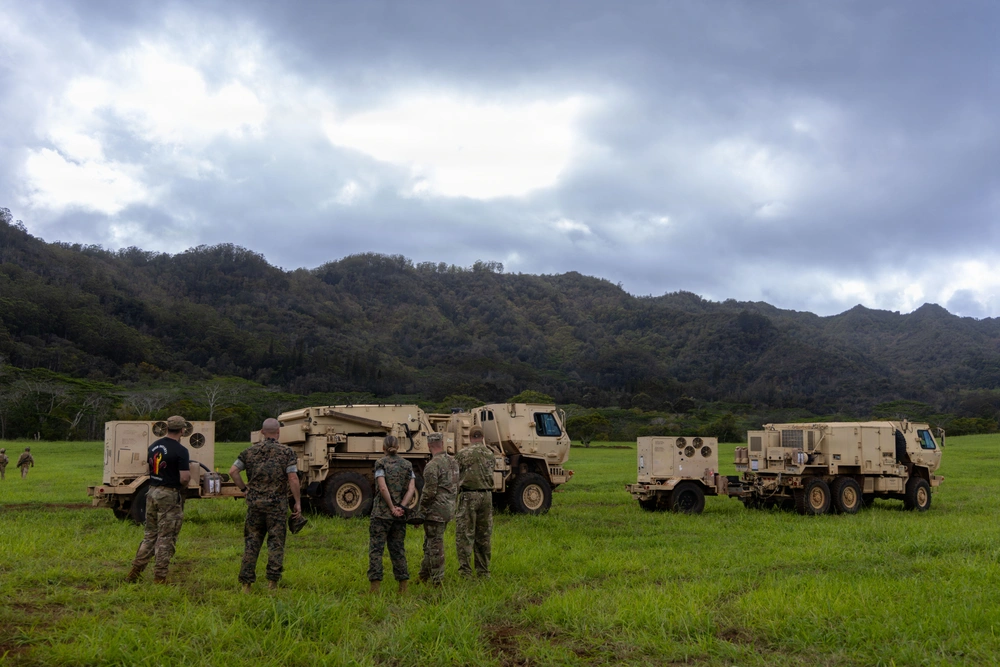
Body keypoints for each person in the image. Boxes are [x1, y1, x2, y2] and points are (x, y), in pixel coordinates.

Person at [229, 418, 302, 593]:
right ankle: (272, 583)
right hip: (277, 506)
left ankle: (246, 585)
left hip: (255, 505)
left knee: (252, 542)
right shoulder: (287, 452)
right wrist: (297, 502)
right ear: (278, 433)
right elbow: (292, 478)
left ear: (262, 432)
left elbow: (233, 471)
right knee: (276, 543)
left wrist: (244, 489)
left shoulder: (249, 452)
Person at [125, 415, 191, 584]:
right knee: (166, 537)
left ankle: (135, 571)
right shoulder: (181, 450)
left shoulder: (154, 446)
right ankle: (160, 577)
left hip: (152, 492)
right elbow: (184, 478)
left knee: (150, 535)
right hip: (169, 495)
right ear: (182, 430)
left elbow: (150, 469)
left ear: (167, 428)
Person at [368, 435, 416, 594]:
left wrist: (391, 507)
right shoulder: (408, 465)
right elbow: (411, 490)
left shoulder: (380, 463)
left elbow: (382, 488)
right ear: (398, 446)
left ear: (383, 448)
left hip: (381, 514)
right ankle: (403, 588)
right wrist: (401, 507)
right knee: (398, 550)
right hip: (399, 516)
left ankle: (375, 589)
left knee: (376, 550)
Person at [417, 433, 459, 586]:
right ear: (442, 443)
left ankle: (437, 581)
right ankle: (423, 575)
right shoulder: (453, 462)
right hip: (448, 509)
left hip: (435, 512)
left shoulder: (432, 465)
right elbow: (456, 486)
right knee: (430, 543)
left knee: (435, 546)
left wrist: (420, 512)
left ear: (429, 445)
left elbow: (429, 492)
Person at [455, 427, 495, 578]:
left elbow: (455, 474)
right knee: (484, 535)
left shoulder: (463, 454)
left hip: (468, 496)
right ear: (483, 436)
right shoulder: (490, 454)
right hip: (486, 496)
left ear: (470, 437)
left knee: (465, 534)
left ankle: (465, 571)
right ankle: (483, 571)